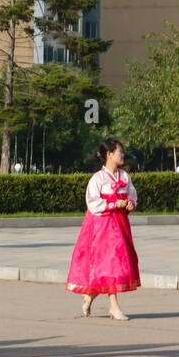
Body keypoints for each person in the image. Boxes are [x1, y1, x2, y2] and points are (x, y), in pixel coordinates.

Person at [66, 137, 141, 321]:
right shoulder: (97, 179)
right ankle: (114, 307)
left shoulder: (124, 176)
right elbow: (93, 204)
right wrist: (115, 203)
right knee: (111, 264)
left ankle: (89, 297)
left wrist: (130, 204)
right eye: (119, 152)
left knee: (115, 266)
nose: (122, 155)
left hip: (120, 225)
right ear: (109, 155)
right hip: (102, 227)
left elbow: (132, 194)